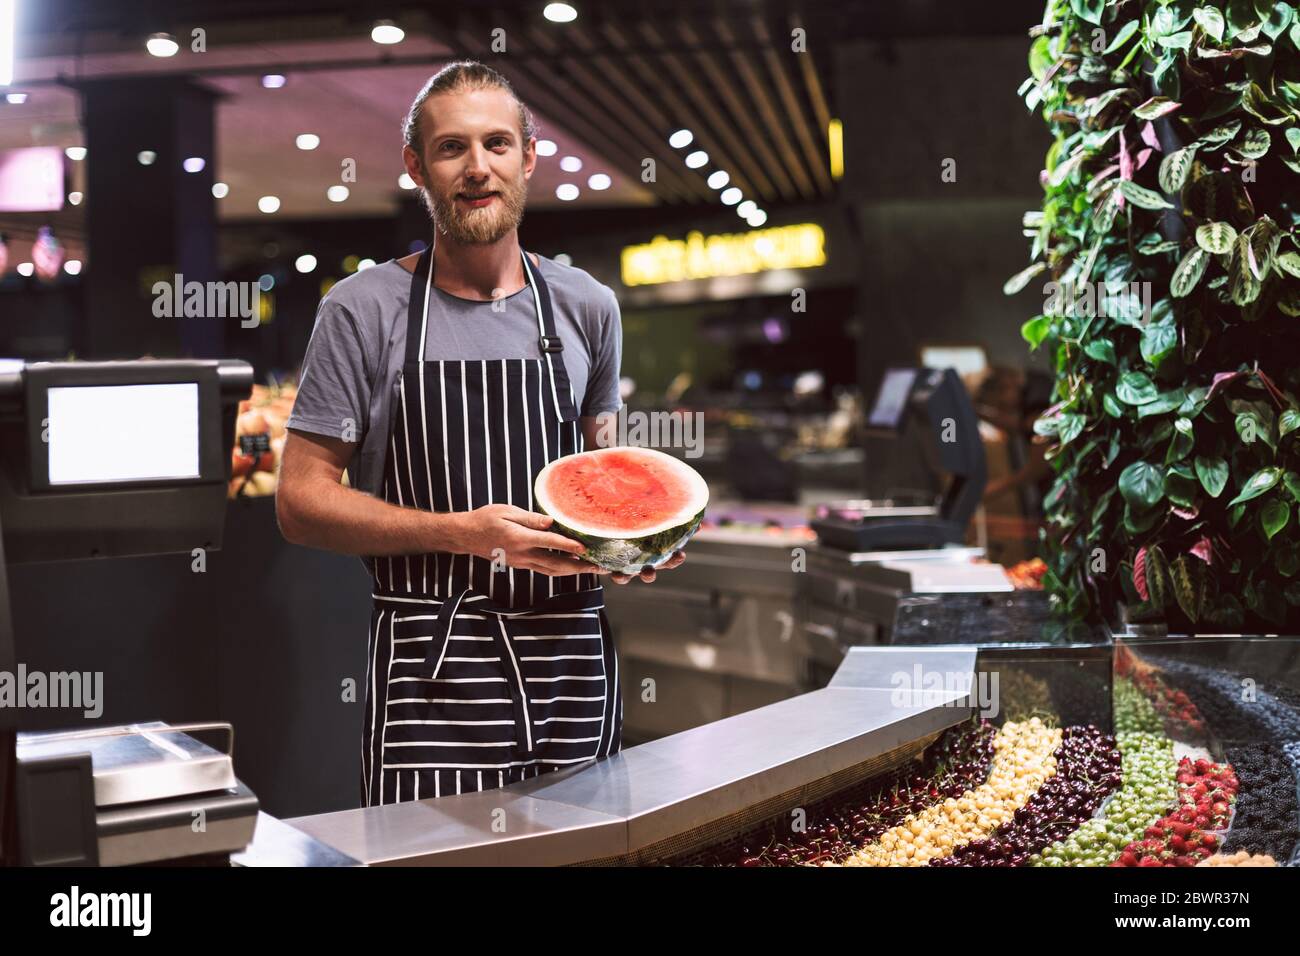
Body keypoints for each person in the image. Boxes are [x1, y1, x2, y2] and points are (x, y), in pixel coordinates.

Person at [276, 61, 684, 807]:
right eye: (450, 148)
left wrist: (641, 543)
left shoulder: (588, 306)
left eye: (497, 144)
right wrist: (463, 532)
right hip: (430, 669)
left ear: (527, 159)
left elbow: (607, 474)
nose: (477, 168)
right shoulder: (361, 309)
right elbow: (299, 502)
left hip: (572, 664)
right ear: (416, 168)